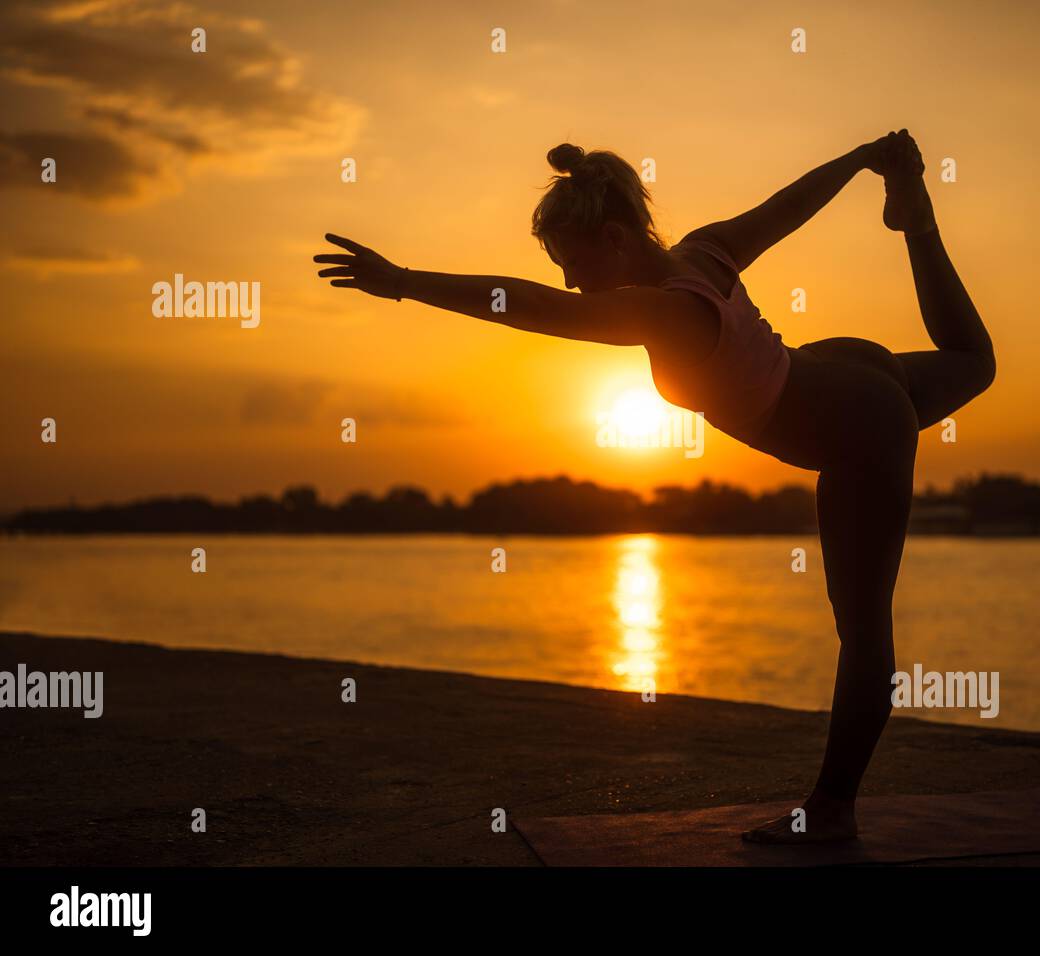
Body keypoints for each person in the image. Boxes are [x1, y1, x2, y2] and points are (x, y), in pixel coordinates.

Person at [314, 130, 995, 843]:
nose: (573, 281)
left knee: (862, 628)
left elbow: (528, 306)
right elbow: (786, 208)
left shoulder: (660, 312)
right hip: (844, 373)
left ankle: (830, 811)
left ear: (613, 237)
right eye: (563, 268)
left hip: (859, 423)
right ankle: (916, 223)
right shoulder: (703, 251)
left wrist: (403, 283)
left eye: (574, 262)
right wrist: (860, 161)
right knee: (973, 361)